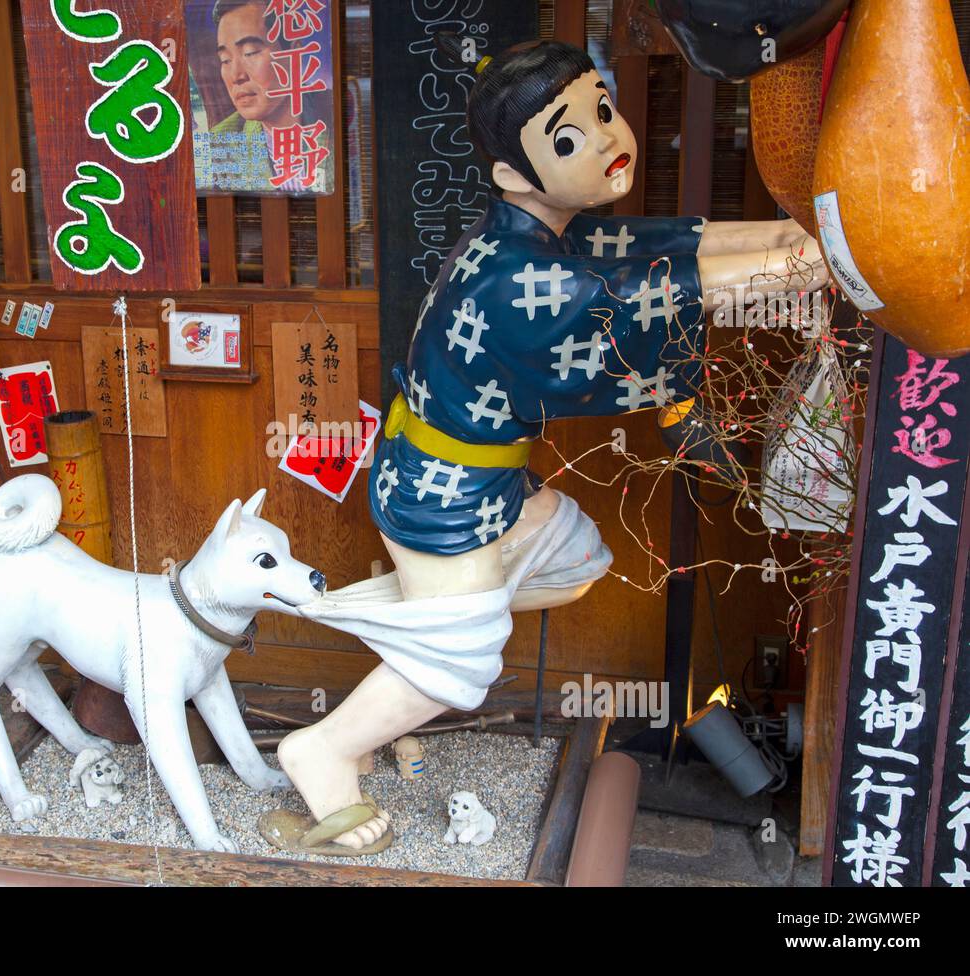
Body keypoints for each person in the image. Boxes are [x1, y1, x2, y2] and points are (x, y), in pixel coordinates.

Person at [263, 38, 827, 854]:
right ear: (512, 177)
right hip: (441, 491)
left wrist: (786, 239)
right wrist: (802, 264)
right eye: (569, 138)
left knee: (574, 558)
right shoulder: (514, 278)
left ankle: (430, 625)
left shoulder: (537, 236)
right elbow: (640, 296)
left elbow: (655, 252)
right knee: (462, 669)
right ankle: (326, 747)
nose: (606, 139)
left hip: (479, 480)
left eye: (602, 109)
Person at [199, 0, 332, 193]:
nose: (236, 76)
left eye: (250, 53)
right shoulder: (221, 142)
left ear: (292, 53)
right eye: (225, 60)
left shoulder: (335, 111)